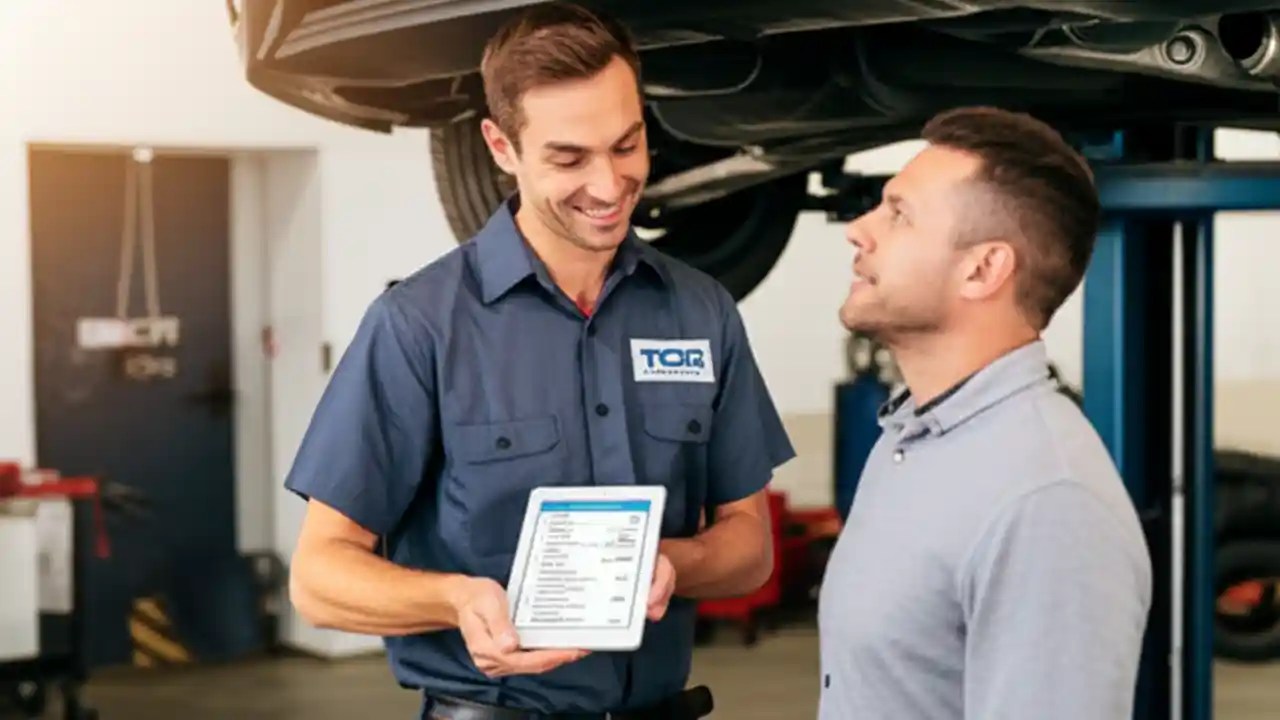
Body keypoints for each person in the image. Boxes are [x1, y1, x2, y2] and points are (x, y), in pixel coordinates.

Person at [283, 3, 795, 719]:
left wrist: (674, 564)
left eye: (627, 145)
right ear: (501, 147)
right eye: (568, 157)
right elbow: (319, 578)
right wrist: (456, 599)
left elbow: (749, 547)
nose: (610, 184)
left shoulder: (700, 312)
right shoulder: (420, 326)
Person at [817, 106, 1153, 720]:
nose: (859, 230)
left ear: (983, 268)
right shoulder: (912, 438)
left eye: (898, 215)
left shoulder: (1047, 502)